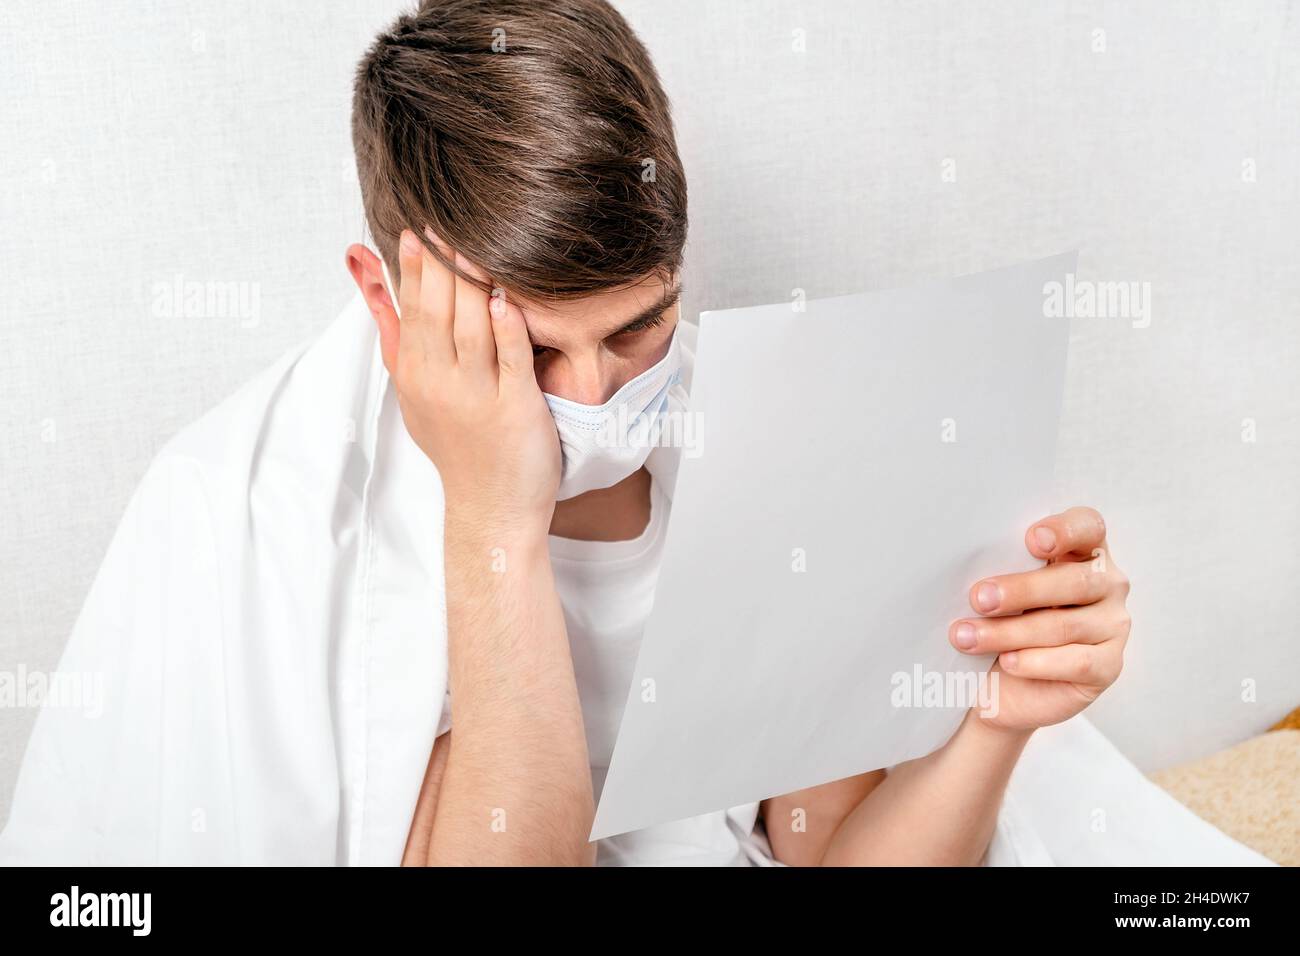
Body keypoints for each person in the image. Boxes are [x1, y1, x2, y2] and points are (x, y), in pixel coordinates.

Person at [0, 0, 1266, 866]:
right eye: (536, 351)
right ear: (387, 297)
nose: (599, 397)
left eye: (642, 327)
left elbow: (825, 842)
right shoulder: (249, 511)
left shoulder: (767, 435)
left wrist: (994, 713)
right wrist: (494, 515)